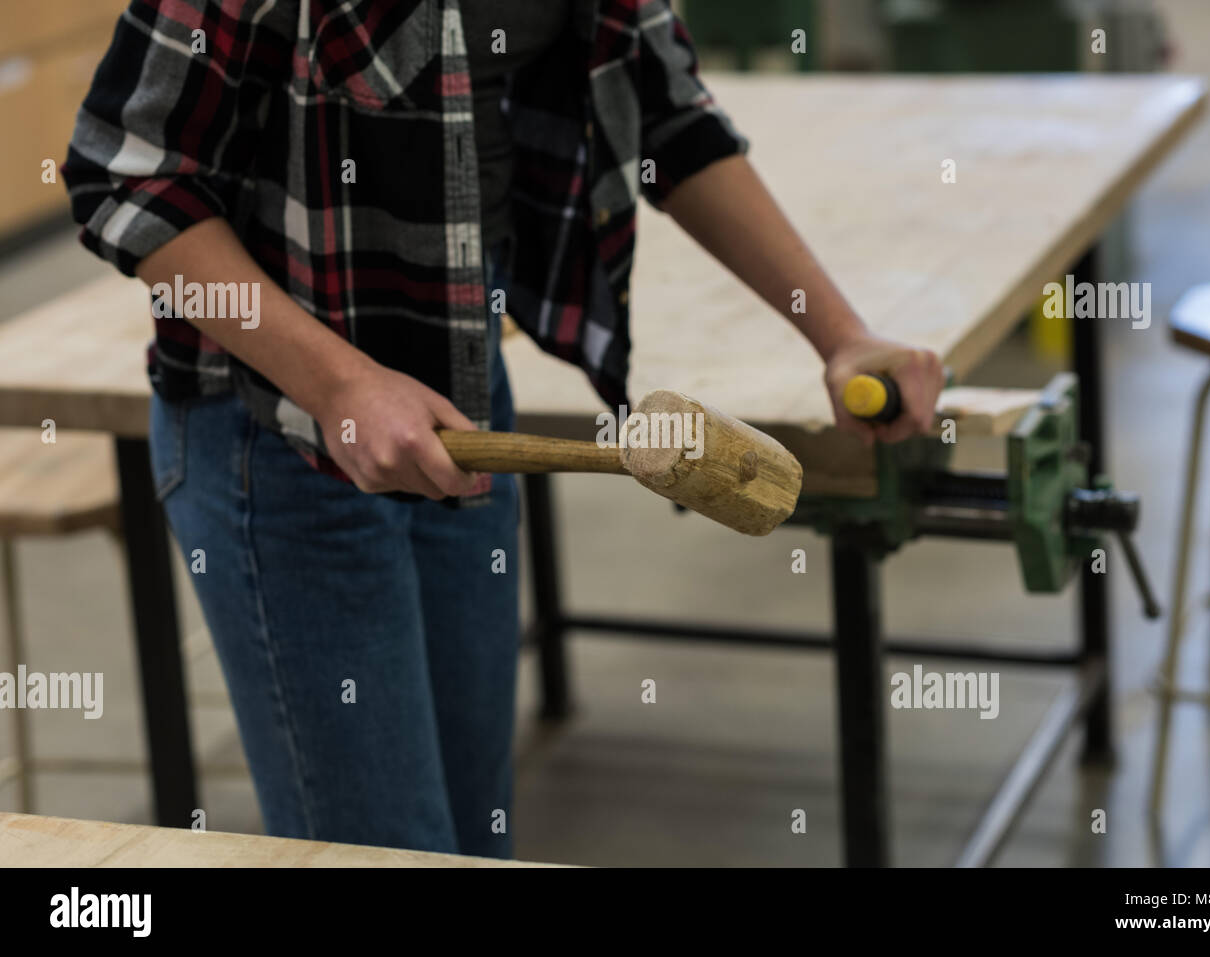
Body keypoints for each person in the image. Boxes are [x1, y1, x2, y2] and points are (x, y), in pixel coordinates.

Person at [64, 0, 944, 858]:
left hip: (460, 397)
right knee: (387, 849)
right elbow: (129, 171)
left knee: (475, 829)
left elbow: (669, 114)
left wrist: (841, 334)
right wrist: (341, 385)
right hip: (279, 432)